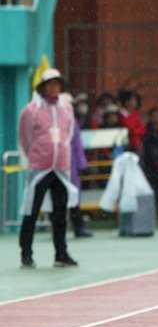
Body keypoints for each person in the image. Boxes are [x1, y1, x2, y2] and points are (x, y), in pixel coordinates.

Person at [18, 68, 80, 268]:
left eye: (57, 84)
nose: (54, 88)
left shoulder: (67, 108)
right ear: (43, 87)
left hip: (60, 168)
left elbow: (69, 134)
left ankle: (61, 254)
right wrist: (33, 158)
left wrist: (62, 153)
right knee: (32, 211)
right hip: (39, 167)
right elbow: (25, 136)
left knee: (60, 213)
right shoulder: (31, 109)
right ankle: (26, 253)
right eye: (50, 84)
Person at [69, 94, 92, 238]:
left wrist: (81, 164)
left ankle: (78, 227)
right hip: (57, 166)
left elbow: (77, 145)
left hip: (70, 166)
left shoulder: (72, 122)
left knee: (74, 198)